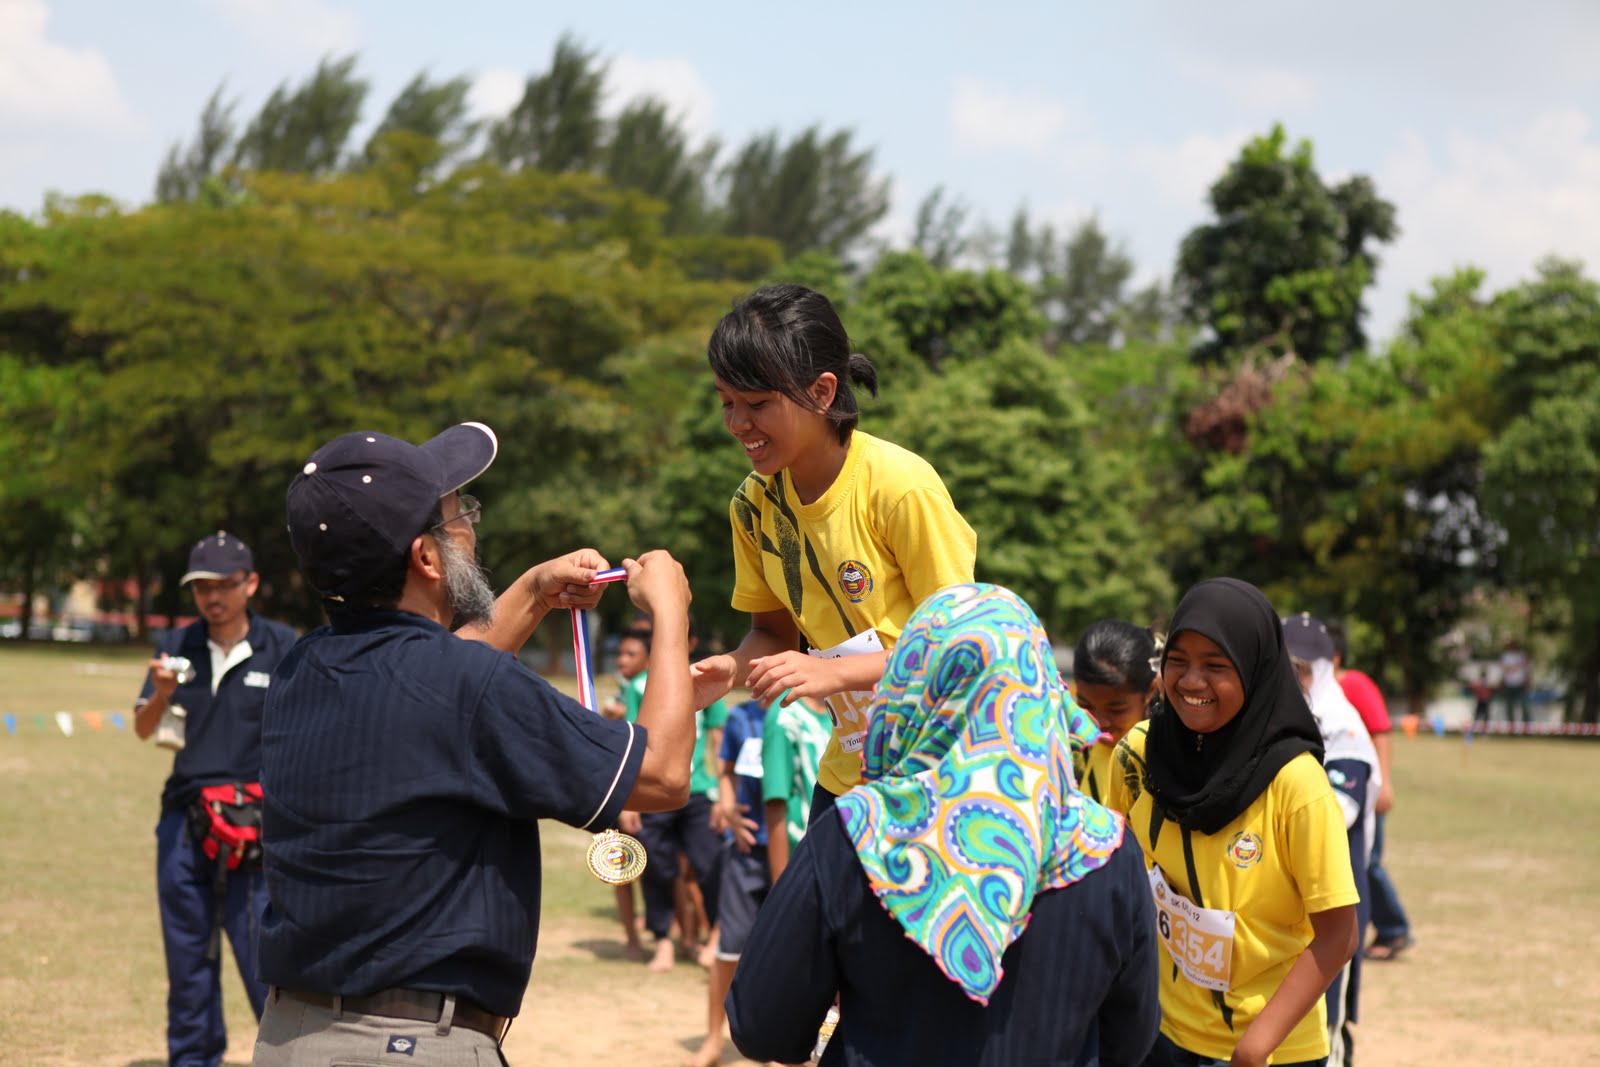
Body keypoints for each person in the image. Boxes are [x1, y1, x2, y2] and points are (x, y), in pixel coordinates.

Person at [252, 423, 699, 1065]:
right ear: (427, 559)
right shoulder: (469, 685)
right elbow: (662, 774)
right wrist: (671, 612)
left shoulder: (303, 666)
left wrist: (531, 594)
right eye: (459, 517)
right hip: (405, 1048)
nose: (472, 529)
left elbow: (430, 678)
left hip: (291, 1036)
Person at [727, 584, 1159, 1067]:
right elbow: (1131, 1037)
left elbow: (763, 1029)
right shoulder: (1106, 849)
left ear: (911, 685)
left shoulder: (855, 835)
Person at [690, 284, 977, 819]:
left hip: (940, 774)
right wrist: (729, 670)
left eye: (757, 404)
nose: (736, 423)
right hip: (850, 773)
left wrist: (832, 674)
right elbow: (774, 635)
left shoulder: (899, 486)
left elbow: (959, 646)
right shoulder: (753, 507)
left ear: (823, 393)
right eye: (726, 402)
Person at [1104, 578, 1359, 1067]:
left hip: (1269, 1051)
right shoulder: (1138, 756)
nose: (1191, 681)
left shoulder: (1297, 786)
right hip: (1160, 1032)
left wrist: (1254, 1048)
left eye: (1216, 666)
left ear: (1256, 668)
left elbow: (1339, 934)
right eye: (1178, 660)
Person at [132, 531, 298, 1067]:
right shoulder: (175, 646)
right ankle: (194, 1057)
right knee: (187, 954)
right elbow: (143, 729)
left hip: (255, 823)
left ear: (249, 583)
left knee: (260, 954)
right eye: (202, 587)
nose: (212, 597)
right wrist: (159, 693)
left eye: (224, 584)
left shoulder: (283, 646)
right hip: (184, 819)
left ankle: (282, 1057)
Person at [1284, 614, 1381, 1067]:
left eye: (1300, 669)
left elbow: (1340, 810)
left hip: (1330, 901)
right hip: (1282, 899)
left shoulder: (1343, 725)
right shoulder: (1280, 716)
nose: (1291, 679)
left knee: (1325, 1022)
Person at [1327, 623, 1413, 964]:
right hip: (1340, 788)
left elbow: (1381, 731)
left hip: (1364, 790)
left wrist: (1385, 783)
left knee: (1369, 862)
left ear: (1333, 657)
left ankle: (1395, 928)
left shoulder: (1355, 685)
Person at [602, 628, 652, 959]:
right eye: (620, 654)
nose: (622, 660)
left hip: (642, 791)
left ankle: (666, 932)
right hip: (625, 789)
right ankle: (633, 938)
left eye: (630, 654)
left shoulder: (647, 685)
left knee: (666, 869)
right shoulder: (627, 687)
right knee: (621, 868)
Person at [1073, 619, 1161, 804]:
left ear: (1150, 691)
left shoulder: (1164, 759)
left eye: (1116, 710)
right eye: (1085, 705)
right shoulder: (1070, 754)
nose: (1100, 722)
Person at [1499, 639, 1532, 727]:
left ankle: (1526, 729)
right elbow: (1505, 670)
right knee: (1509, 708)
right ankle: (1511, 729)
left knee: (1524, 707)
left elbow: (1527, 670)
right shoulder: (1505, 656)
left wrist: (1528, 681)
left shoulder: (1523, 655)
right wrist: (1519, 665)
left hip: (1521, 685)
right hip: (1509, 685)